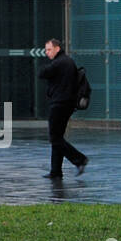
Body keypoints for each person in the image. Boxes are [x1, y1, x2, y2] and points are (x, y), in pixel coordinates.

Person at [38, 38, 89, 179]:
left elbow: (42, 73)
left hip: (59, 104)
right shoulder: (67, 62)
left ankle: (79, 159)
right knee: (58, 137)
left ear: (57, 48)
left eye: (49, 49)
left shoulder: (60, 62)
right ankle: (56, 171)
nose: (47, 52)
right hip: (65, 104)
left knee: (54, 138)